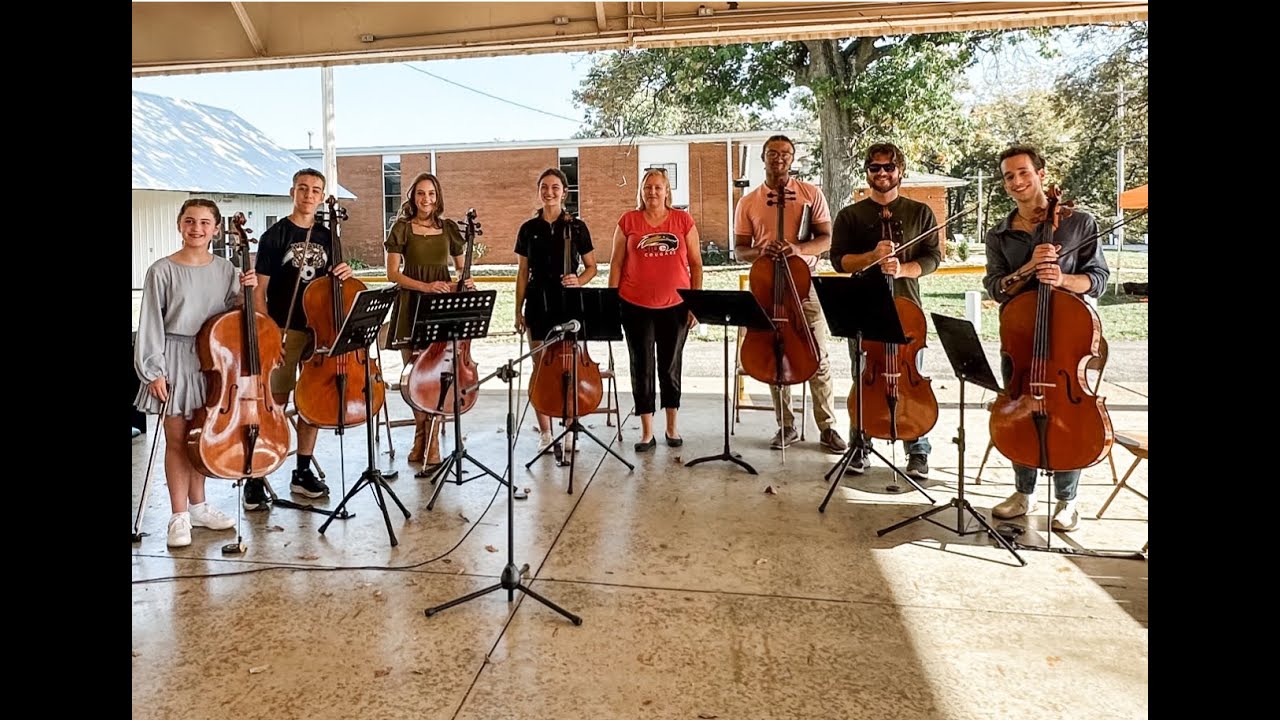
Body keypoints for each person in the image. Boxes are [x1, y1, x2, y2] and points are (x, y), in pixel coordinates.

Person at [982, 144, 1109, 532]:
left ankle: (1068, 500)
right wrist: (1030, 268)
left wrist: (1063, 279)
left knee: (1069, 414)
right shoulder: (1000, 234)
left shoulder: (1079, 223)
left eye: (1023, 172)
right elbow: (996, 287)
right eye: (1009, 176)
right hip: (1020, 339)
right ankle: (1024, 492)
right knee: (1021, 409)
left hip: (1066, 340)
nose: (1017, 181)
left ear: (1040, 173)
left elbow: (1098, 279)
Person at [134, 199, 254, 547]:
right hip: (174, 356)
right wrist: (153, 370)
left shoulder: (227, 270)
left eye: (205, 222)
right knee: (176, 440)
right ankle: (178, 516)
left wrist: (248, 293)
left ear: (216, 229)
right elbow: (150, 324)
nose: (197, 228)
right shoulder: (161, 270)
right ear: (179, 225)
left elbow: (236, 316)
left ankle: (199, 507)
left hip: (214, 361)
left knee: (201, 437)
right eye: (190, 221)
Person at [828, 142, 942, 480]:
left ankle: (917, 449)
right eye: (874, 168)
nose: (881, 173)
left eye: (888, 167)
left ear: (900, 171)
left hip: (906, 309)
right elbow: (839, 261)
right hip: (863, 306)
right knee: (863, 377)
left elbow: (932, 258)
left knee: (912, 378)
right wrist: (871, 258)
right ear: (867, 171)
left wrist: (903, 269)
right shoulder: (851, 215)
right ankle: (860, 446)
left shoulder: (920, 212)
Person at [243, 168, 351, 510]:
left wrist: (345, 274)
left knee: (312, 401)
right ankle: (255, 475)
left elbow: (337, 284)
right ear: (293, 191)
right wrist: (267, 331)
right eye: (303, 188)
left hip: (320, 331)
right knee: (274, 401)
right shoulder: (275, 235)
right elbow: (260, 289)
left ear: (321, 197)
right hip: (284, 328)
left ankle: (302, 471)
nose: (309, 194)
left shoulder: (327, 235)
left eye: (316, 190)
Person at [733, 134, 848, 454]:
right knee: (774, 354)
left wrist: (797, 249)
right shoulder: (749, 201)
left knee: (818, 356)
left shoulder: (811, 194)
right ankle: (785, 425)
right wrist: (760, 250)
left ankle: (827, 427)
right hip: (768, 287)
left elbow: (825, 240)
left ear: (793, 158)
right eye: (772, 153)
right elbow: (740, 250)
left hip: (804, 284)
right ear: (763, 158)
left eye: (785, 153)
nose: (779, 158)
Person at [608, 168, 703, 452]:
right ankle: (646, 432)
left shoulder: (683, 221)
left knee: (670, 366)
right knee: (642, 366)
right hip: (634, 305)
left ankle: (672, 428)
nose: (652, 192)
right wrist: (612, 302)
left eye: (658, 187)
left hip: (675, 308)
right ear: (641, 191)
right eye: (647, 187)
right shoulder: (628, 221)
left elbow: (696, 264)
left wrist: (695, 302)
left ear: (667, 191)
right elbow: (616, 264)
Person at [386, 172, 474, 468]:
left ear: (438, 198)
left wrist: (466, 282)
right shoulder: (401, 228)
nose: (426, 199)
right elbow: (393, 274)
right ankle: (420, 435)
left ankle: (432, 439)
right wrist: (426, 286)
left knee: (438, 375)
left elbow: (462, 269)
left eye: (432, 194)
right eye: (421, 193)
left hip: (442, 307)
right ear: (413, 196)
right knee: (415, 376)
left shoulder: (449, 229)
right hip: (411, 303)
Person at [515, 168, 598, 453]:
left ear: (564, 191)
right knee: (540, 366)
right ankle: (545, 432)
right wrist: (517, 310)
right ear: (538, 191)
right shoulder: (528, 228)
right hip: (538, 301)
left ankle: (570, 426)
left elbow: (591, 267)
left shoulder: (576, 227)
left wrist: (579, 280)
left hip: (567, 301)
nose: (549, 192)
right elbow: (522, 272)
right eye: (544, 187)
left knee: (569, 366)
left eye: (555, 187)